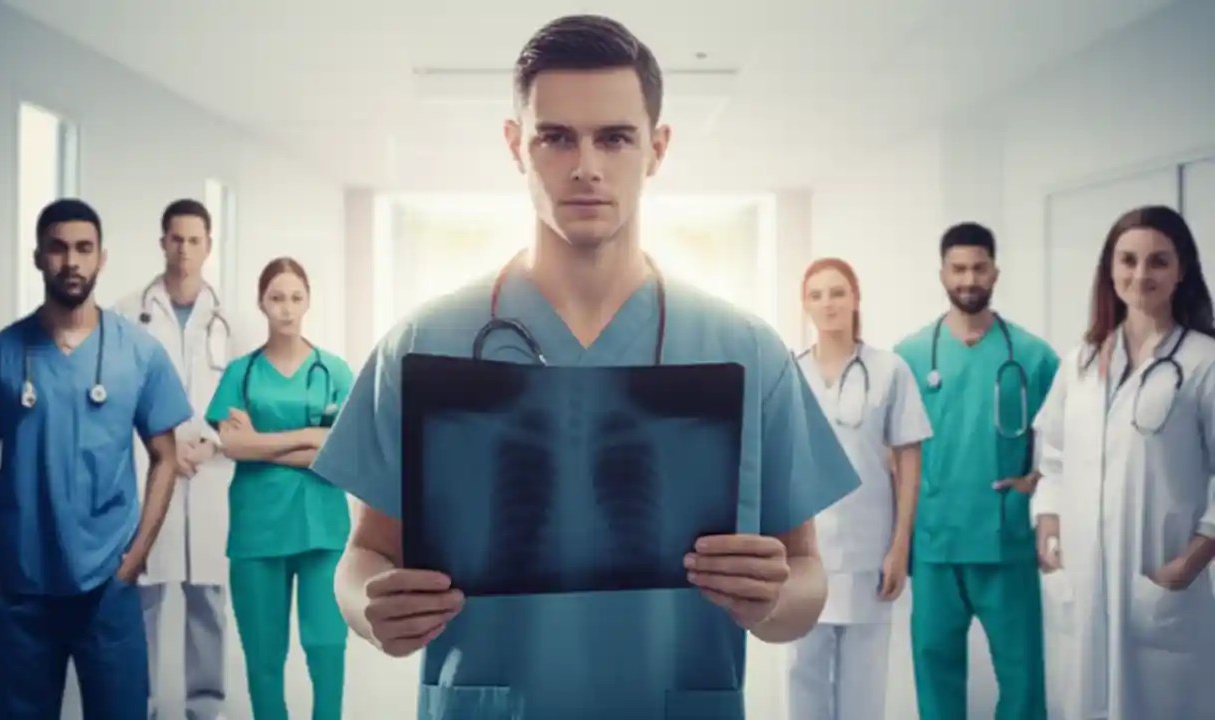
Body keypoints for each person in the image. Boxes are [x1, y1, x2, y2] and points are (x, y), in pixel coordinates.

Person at [310, 14, 861, 720]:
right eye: (556, 137)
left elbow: (805, 575)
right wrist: (369, 608)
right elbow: (364, 555)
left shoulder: (747, 351)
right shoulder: (423, 343)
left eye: (615, 137)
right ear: (515, 144)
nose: (586, 167)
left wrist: (772, 600)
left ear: (657, 148)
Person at [0, 198, 192, 718]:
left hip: (108, 585)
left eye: (84, 248)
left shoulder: (139, 352)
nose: (71, 261)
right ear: (38, 256)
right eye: (58, 248)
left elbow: (165, 456)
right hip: (20, 585)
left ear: (102, 257)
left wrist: (135, 558)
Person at [1031, 205, 1215, 720]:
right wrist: (1048, 528)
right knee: (1082, 702)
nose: (1140, 274)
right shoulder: (1081, 361)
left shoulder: (1204, 362)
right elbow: (1053, 455)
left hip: (1159, 580)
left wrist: (1189, 563)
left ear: (1182, 270)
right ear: (1110, 270)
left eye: (1159, 261)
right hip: (1081, 581)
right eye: (1128, 260)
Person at [893, 222, 1059, 720]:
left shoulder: (1032, 355)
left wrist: (1036, 481)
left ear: (995, 273)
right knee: (935, 673)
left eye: (979, 268)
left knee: (1023, 675)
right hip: (934, 541)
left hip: (1003, 536)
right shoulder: (909, 357)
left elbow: (1066, 442)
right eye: (959, 268)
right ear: (942, 273)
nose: (969, 279)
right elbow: (891, 451)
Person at [204, 257, 353, 720]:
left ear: (308, 302)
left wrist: (259, 444)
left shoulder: (334, 371)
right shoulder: (241, 373)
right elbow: (232, 445)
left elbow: (344, 450)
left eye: (295, 297)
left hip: (322, 528)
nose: (286, 308)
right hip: (258, 531)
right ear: (261, 303)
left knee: (327, 647)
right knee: (264, 655)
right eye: (276, 298)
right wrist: (309, 437)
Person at [786, 258, 931, 720]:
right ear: (805, 305)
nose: (827, 303)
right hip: (805, 552)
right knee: (802, 680)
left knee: (864, 689)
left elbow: (909, 456)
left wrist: (900, 546)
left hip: (869, 548)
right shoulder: (789, 373)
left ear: (855, 299)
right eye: (816, 295)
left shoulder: (889, 370)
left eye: (837, 292)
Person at [115, 199, 233, 720]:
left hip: (209, 475)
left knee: (208, 598)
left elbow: (243, 399)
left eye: (194, 240)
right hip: (151, 469)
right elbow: (116, 396)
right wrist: (161, 445)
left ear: (208, 246)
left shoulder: (230, 319)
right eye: (176, 239)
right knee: (143, 597)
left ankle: (205, 706)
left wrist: (211, 443)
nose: (184, 250)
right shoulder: (126, 314)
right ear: (162, 242)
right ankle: (137, 703)